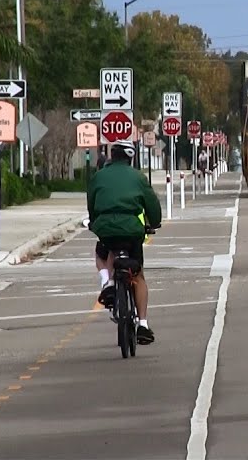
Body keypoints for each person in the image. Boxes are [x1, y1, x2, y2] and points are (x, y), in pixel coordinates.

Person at [87, 139, 162, 345]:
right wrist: (154, 222)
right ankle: (143, 324)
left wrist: (94, 221)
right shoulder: (138, 177)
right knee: (138, 274)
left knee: (103, 252)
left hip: (105, 229)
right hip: (131, 230)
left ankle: (108, 283)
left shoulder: (98, 176)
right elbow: (152, 205)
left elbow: (91, 204)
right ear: (131, 157)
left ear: (112, 156)